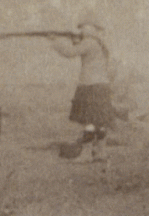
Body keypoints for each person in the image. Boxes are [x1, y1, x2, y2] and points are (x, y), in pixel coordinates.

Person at [49, 12, 115, 162]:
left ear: (89, 28)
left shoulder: (89, 42)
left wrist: (55, 42)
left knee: (89, 122)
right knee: (100, 122)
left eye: (83, 27)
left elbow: (70, 53)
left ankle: (85, 154)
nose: (81, 30)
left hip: (90, 85)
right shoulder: (100, 42)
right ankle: (100, 152)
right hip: (102, 85)